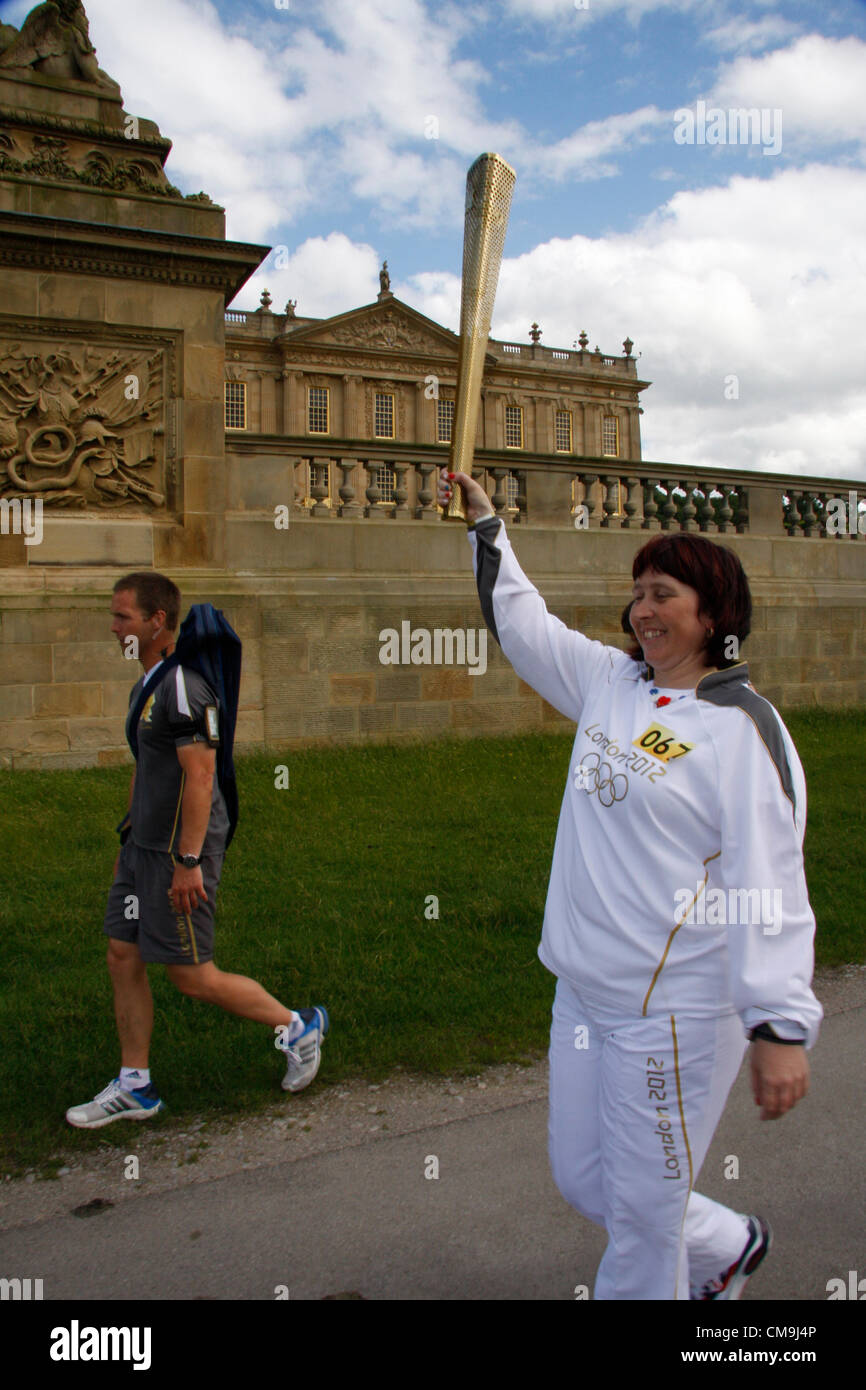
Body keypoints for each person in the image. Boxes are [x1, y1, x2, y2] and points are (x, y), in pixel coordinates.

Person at [438, 468, 821, 1301]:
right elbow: (525, 625)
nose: (643, 609)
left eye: (664, 593)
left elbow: (772, 882)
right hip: (581, 992)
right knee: (586, 1184)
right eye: (637, 593)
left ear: (713, 614)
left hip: (673, 1015)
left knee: (644, 1227)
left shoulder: (742, 732)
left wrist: (780, 1022)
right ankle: (725, 1245)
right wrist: (485, 526)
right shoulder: (613, 684)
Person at [66, 571, 328, 1129]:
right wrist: (128, 841)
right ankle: (136, 1085)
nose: (114, 629)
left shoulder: (184, 686)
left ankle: (298, 1027)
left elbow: (201, 777)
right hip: (143, 849)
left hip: (179, 856)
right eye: (113, 617)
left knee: (192, 976)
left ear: (157, 621)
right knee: (122, 954)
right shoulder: (149, 683)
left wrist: (187, 863)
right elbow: (148, 769)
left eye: (123, 617)